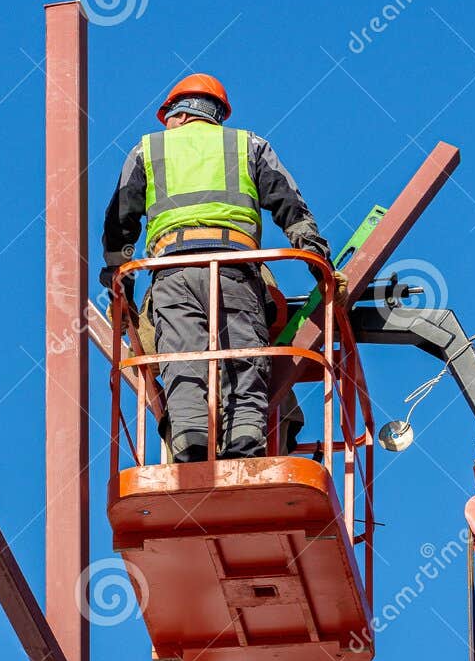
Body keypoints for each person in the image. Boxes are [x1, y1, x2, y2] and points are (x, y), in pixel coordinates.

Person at [100, 74, 331, 462]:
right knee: (243, 357)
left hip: (173, 272)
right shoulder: (248, 145)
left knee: (183, 360)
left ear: (178, 113)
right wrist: (319, 262)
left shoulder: (147, 149)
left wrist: (118, 285)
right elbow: (291, 207)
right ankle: (244, 447)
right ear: (216, 114)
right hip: (235, 269)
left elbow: (119, 223)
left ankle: (191, 450)